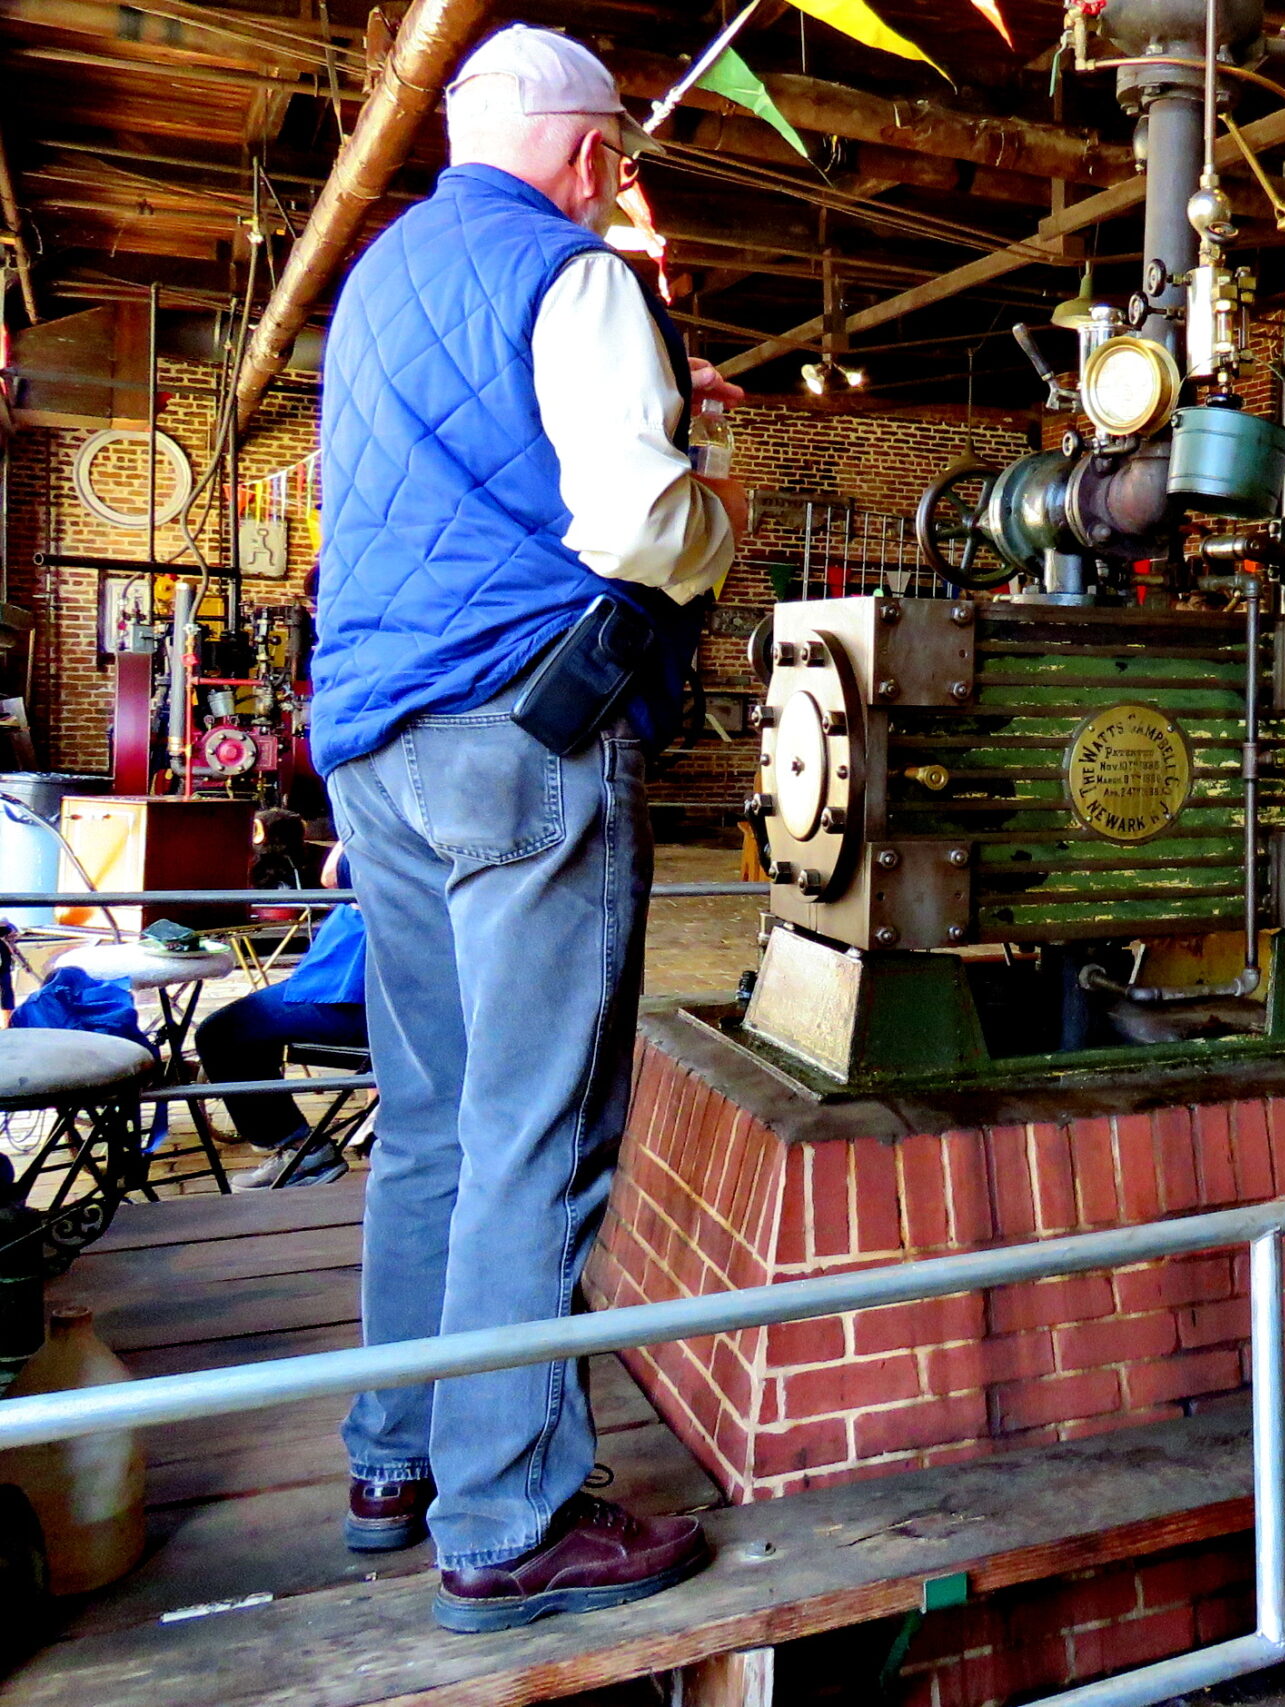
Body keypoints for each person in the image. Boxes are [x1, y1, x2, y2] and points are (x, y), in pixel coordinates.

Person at [309, 24, 742, 1633]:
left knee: (426, 1112)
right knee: (540, 1123)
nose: (614, 186)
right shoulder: (578, 272)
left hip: (376, 742)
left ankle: (395, 1456)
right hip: (523, 727)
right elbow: (636, 521)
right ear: (590, 156)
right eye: (614, 162)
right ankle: (509, 1515)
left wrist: (645, 399)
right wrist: (717, 498)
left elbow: (462, 464)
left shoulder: (382, 275)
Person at [194, 843, 368, 1188]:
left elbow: (333, 874)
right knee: (247, 1026)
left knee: (222, 1034)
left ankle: (300, 1150)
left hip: (359, 993)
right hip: (351, 978)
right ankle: (300, 1147)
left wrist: (351, 828)